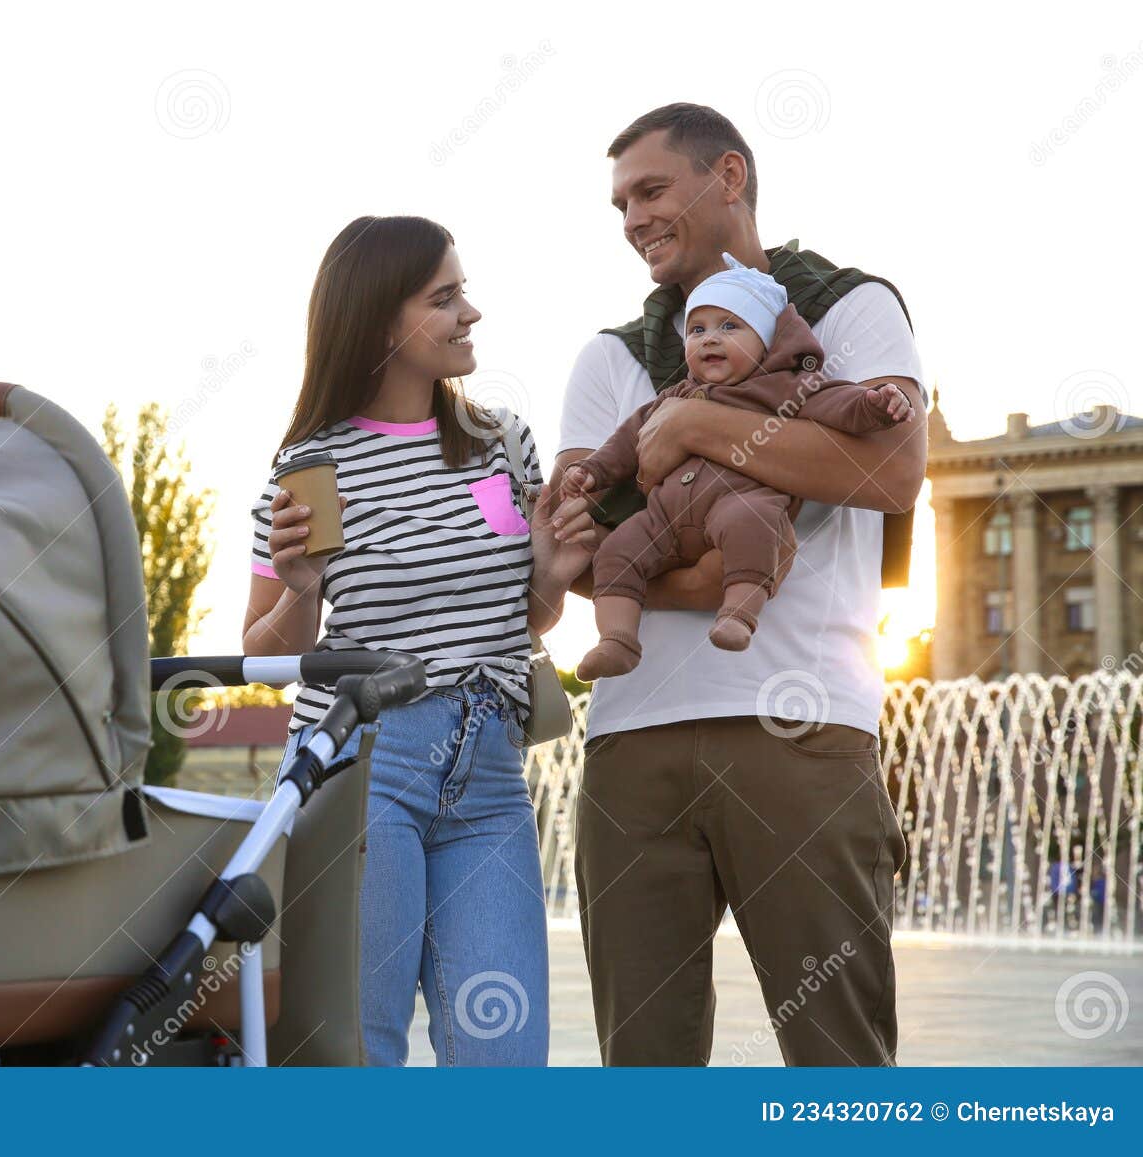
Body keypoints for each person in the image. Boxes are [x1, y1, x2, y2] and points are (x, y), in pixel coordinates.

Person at [540, 103, 924, 1066]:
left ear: (730, 177)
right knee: (646, 1071)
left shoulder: (850, 308)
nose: (632, 217)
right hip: (631, 744)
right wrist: (708, 576)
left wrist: (701, 429)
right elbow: (576, 547)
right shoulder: (612, 356)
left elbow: (892, 471)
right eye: (620, 202)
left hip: (801, 724)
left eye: (651, 190)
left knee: (844, 1066)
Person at [242, 215, 557, 1066]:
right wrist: (303, 587)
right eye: (445, 297)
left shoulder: (501, 447)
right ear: (384, 321)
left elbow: (528, 615)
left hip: (490, 770)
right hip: (362, 764)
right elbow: (270, 654)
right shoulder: (311, 468)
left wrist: (557, 570)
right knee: (358, 1048)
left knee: (505, 1055)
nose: (472, 313)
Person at [552, 254, 914, 679]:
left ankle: (738, 615)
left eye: (729, 327)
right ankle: (617, 639)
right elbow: (627, 441)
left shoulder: (782, 387)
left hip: (740, 501)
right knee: (618, 549)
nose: (709, 339)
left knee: (753, 526)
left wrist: (877, 404)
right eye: (697, 330)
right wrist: (593, 471)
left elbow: (836, 403)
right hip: (665, 516)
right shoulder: (674, 397)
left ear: (764, 341)